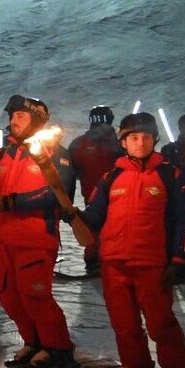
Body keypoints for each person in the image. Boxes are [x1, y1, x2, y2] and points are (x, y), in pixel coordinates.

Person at [74, 112, 185, 368]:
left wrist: (179, 259)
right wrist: (74, 216)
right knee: (124, 322)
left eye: (146, 137)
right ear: (123, 142)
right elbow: (95, 216)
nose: (140, 142)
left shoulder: (169, 174)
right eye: (134, 138)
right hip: (114, 261)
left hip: (152, 264)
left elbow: (182, 220)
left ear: (155, 140)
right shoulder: (112, 176)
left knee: (160, 322)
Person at [0, 94, 76, 368]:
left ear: (37, 120)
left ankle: (57, 348)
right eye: (12, 116)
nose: (13, 121)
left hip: (34, 236)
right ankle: (33, 341)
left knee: (35, 294)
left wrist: (11, 202)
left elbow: (58, 193)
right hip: (3, 235)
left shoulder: (55, 152)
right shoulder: (3, 152)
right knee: (8, 293)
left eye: (20, 115)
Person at [68, 105, 123, 275]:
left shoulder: (80, 144)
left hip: (95, 193)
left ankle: (94, 259)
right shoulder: (120, 142)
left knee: (95, 225)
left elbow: (69, 173)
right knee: (115, 226)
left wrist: (67, 200)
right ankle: (109, 259)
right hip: (120, 194)